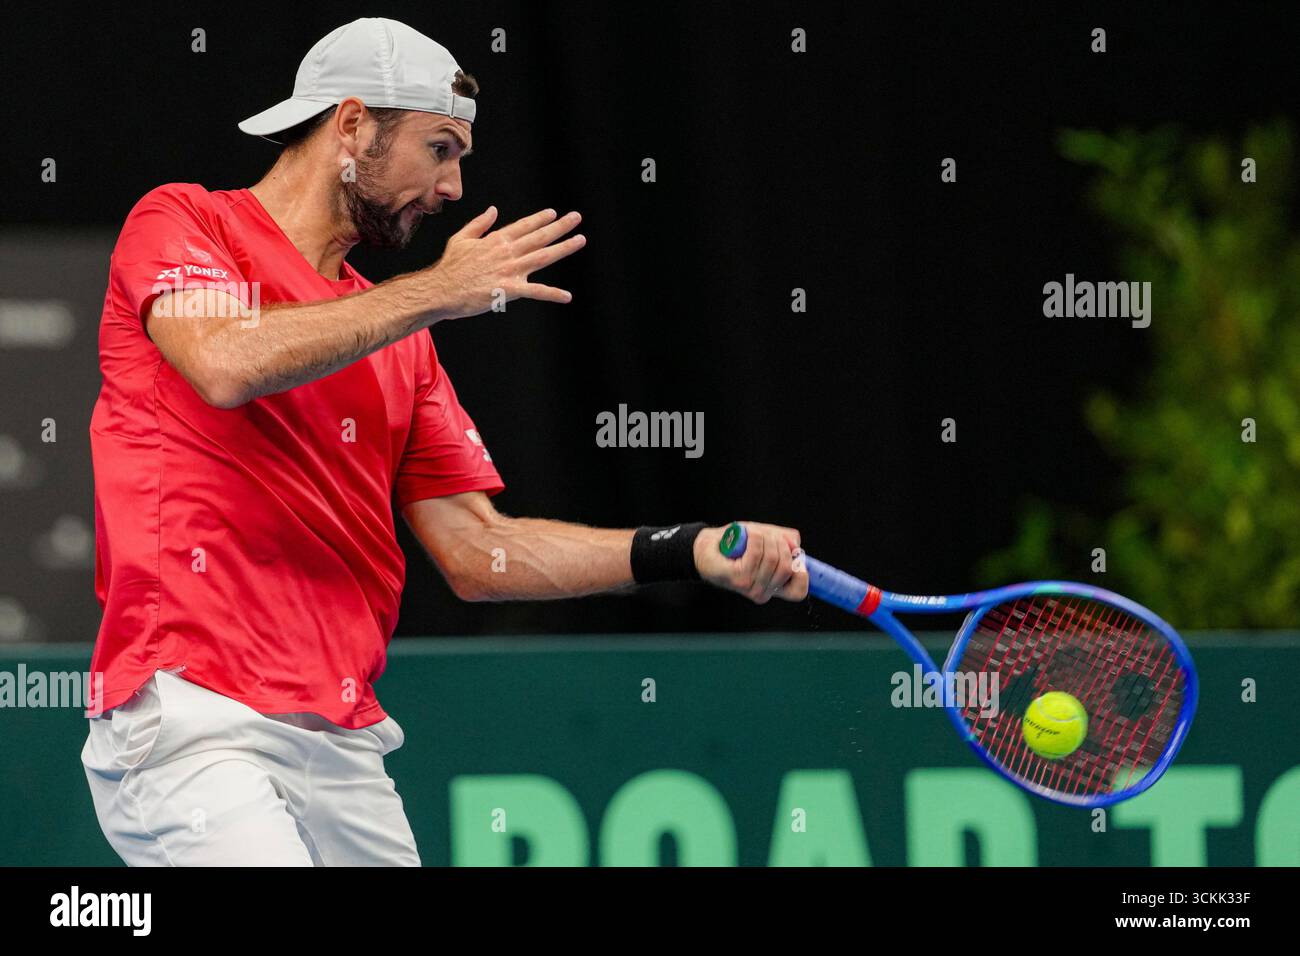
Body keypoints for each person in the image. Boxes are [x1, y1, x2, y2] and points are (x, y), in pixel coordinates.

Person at [82, 17, 806, 866]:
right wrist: (433, 293)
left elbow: (478, 552)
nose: (455, 186)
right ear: (352, 126)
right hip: (193, 722)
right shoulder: (185, 221)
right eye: (439, 149)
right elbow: (224, 362)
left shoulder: (402, 344)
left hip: (341, 740)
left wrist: (685, 550)